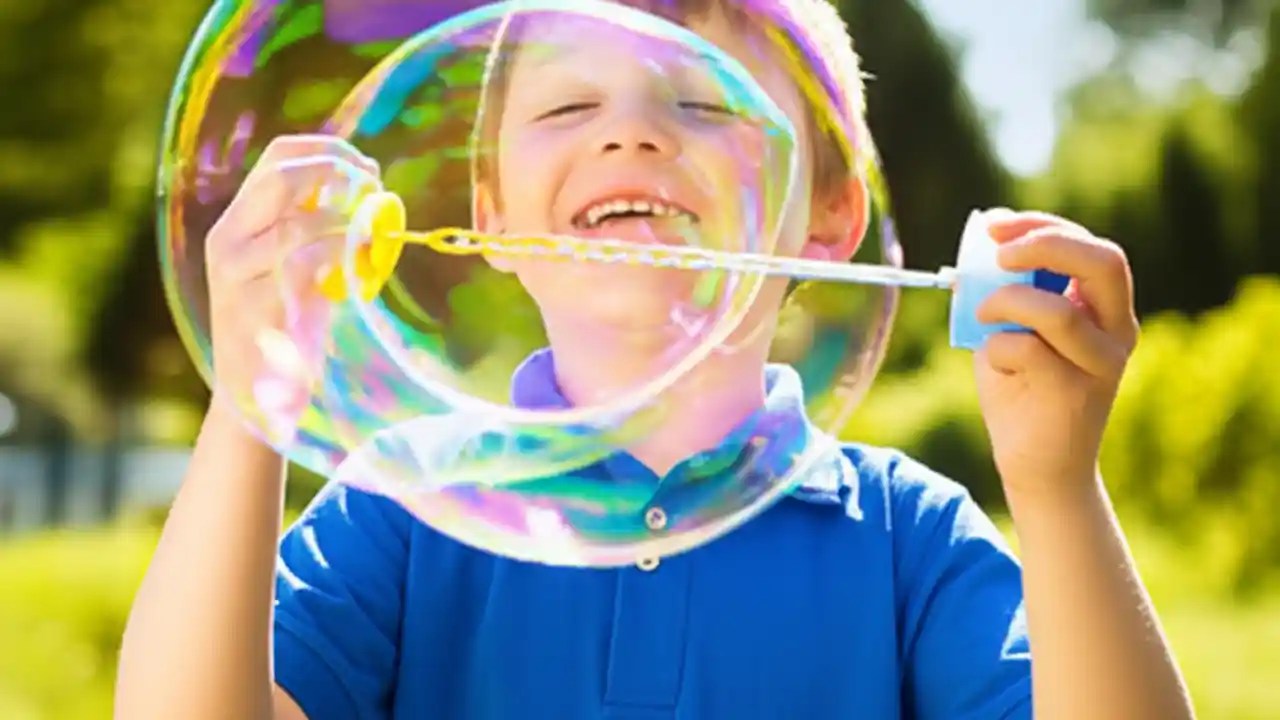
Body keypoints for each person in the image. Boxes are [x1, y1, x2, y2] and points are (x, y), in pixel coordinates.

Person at [115, 1, 1195, 718]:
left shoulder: (905, 537)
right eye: (569, 103)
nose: (630, 133)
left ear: (827, 214)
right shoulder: (406, 505)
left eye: (705, 101)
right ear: (490, 217)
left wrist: (1055, 487)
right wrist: (251, 400)